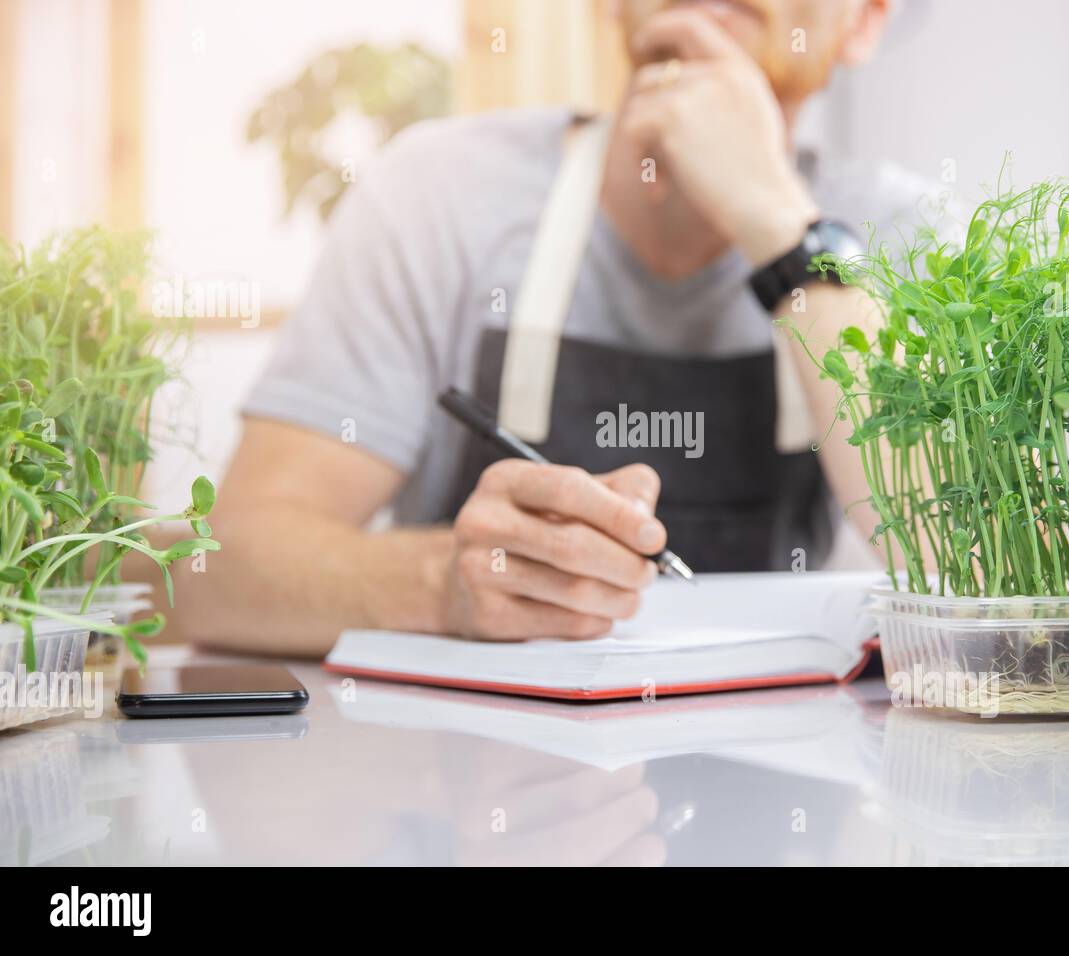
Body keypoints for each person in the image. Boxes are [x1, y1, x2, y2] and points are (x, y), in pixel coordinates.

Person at [173, 0, 920, 656]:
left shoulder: (905, 234)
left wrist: (786, 235)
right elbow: (220, 570)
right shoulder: (437, 194)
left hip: (786, 786)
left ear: (865, 20)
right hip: (478, 794)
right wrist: (447, 583)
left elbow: (984, 572)